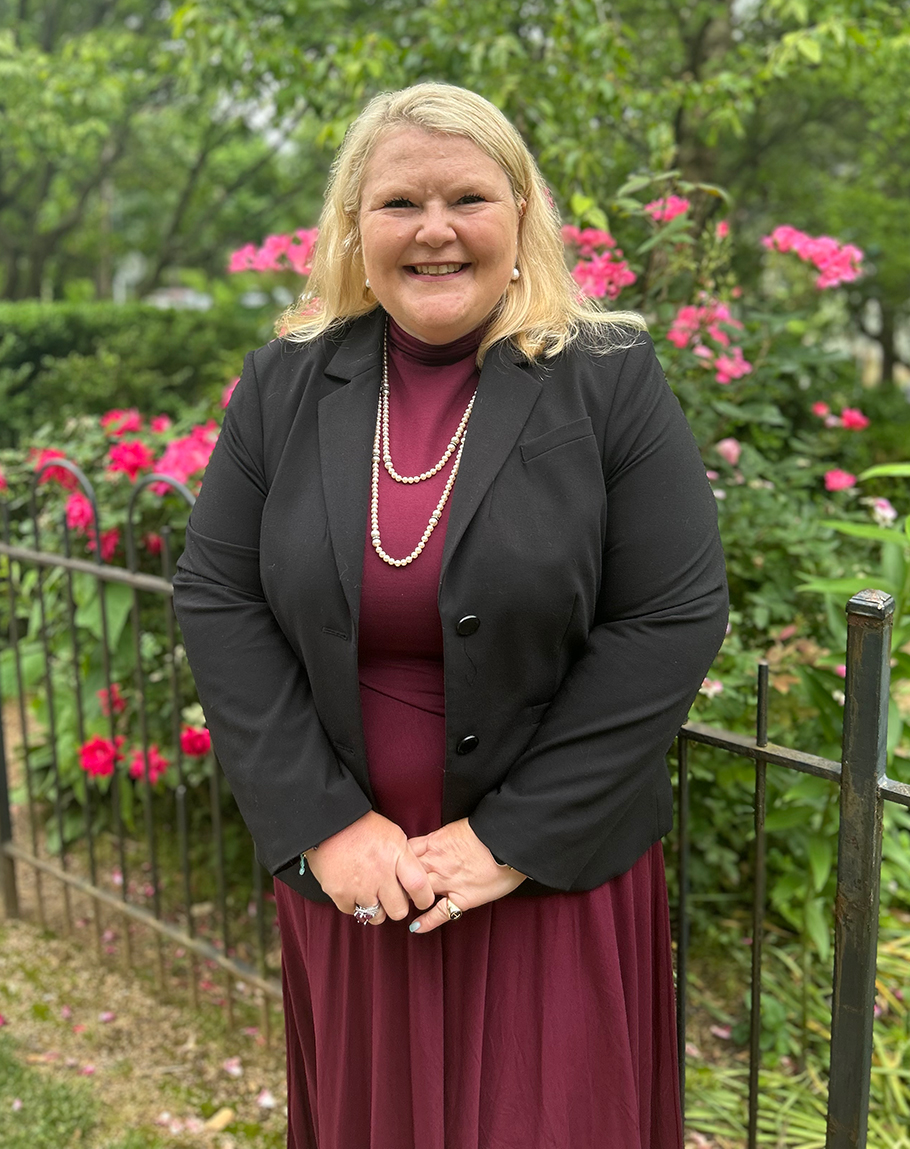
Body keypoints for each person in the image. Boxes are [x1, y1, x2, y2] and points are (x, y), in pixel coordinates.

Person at [173, 82, 728, 1149]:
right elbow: (218, 591)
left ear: (520, 216)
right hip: (358, 878)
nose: (434, 230)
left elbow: (670, 615)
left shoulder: (607, 379)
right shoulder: (286, 382)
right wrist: (325, 826)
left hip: (552, 874)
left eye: (468, 196)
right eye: (398, 204)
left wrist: (506, 842)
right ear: (354, 227)